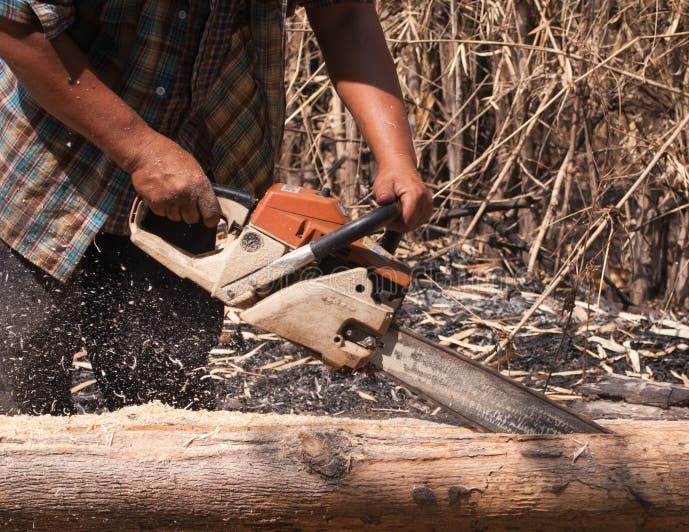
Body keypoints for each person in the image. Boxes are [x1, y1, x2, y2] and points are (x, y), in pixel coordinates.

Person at [0, 0, 432, 415]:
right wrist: (141, 151)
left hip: (199, 194)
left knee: (163, 408)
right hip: (43, 179)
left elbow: (345, 15)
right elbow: (15, 22)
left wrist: (396, 158)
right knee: (17, 400)